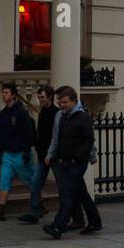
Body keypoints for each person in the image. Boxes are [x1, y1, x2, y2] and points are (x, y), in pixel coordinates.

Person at [43, 86, 102, 239]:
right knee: (81, 193)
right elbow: (58, 138)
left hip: (77, 162)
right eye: (61, 102)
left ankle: (58, 226)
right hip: (66, 161)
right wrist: (53, 153)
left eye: (65, 102)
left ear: (74, 101)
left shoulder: (83, 117)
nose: (62, 105)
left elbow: (89, 139)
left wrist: (81, 156)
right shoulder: (63, 116)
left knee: (68, 193)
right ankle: (95, 221)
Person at [0, 83, 36, 220]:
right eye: (3, 92)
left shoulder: (21, 112)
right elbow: (0, 133)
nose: (4, 95)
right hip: (8, 153)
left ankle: (40, 203)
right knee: (4, 179)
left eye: (7, 92)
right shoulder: (3, 114)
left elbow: (27, 132)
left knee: (30, 180)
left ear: (14, 95)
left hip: (21, 152)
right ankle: (1, 209)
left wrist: (27, 150)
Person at [18, 85, 56, 224]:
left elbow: (54, 136)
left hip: (53, 155)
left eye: (42, 97)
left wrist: (50, 152)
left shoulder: (55, 113)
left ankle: (74, 214)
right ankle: (34, 212)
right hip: (42, 155)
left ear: (50, 97)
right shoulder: (43, 112)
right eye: (39, 97)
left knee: (63, 185)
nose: (40, 100)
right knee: (35, 184)